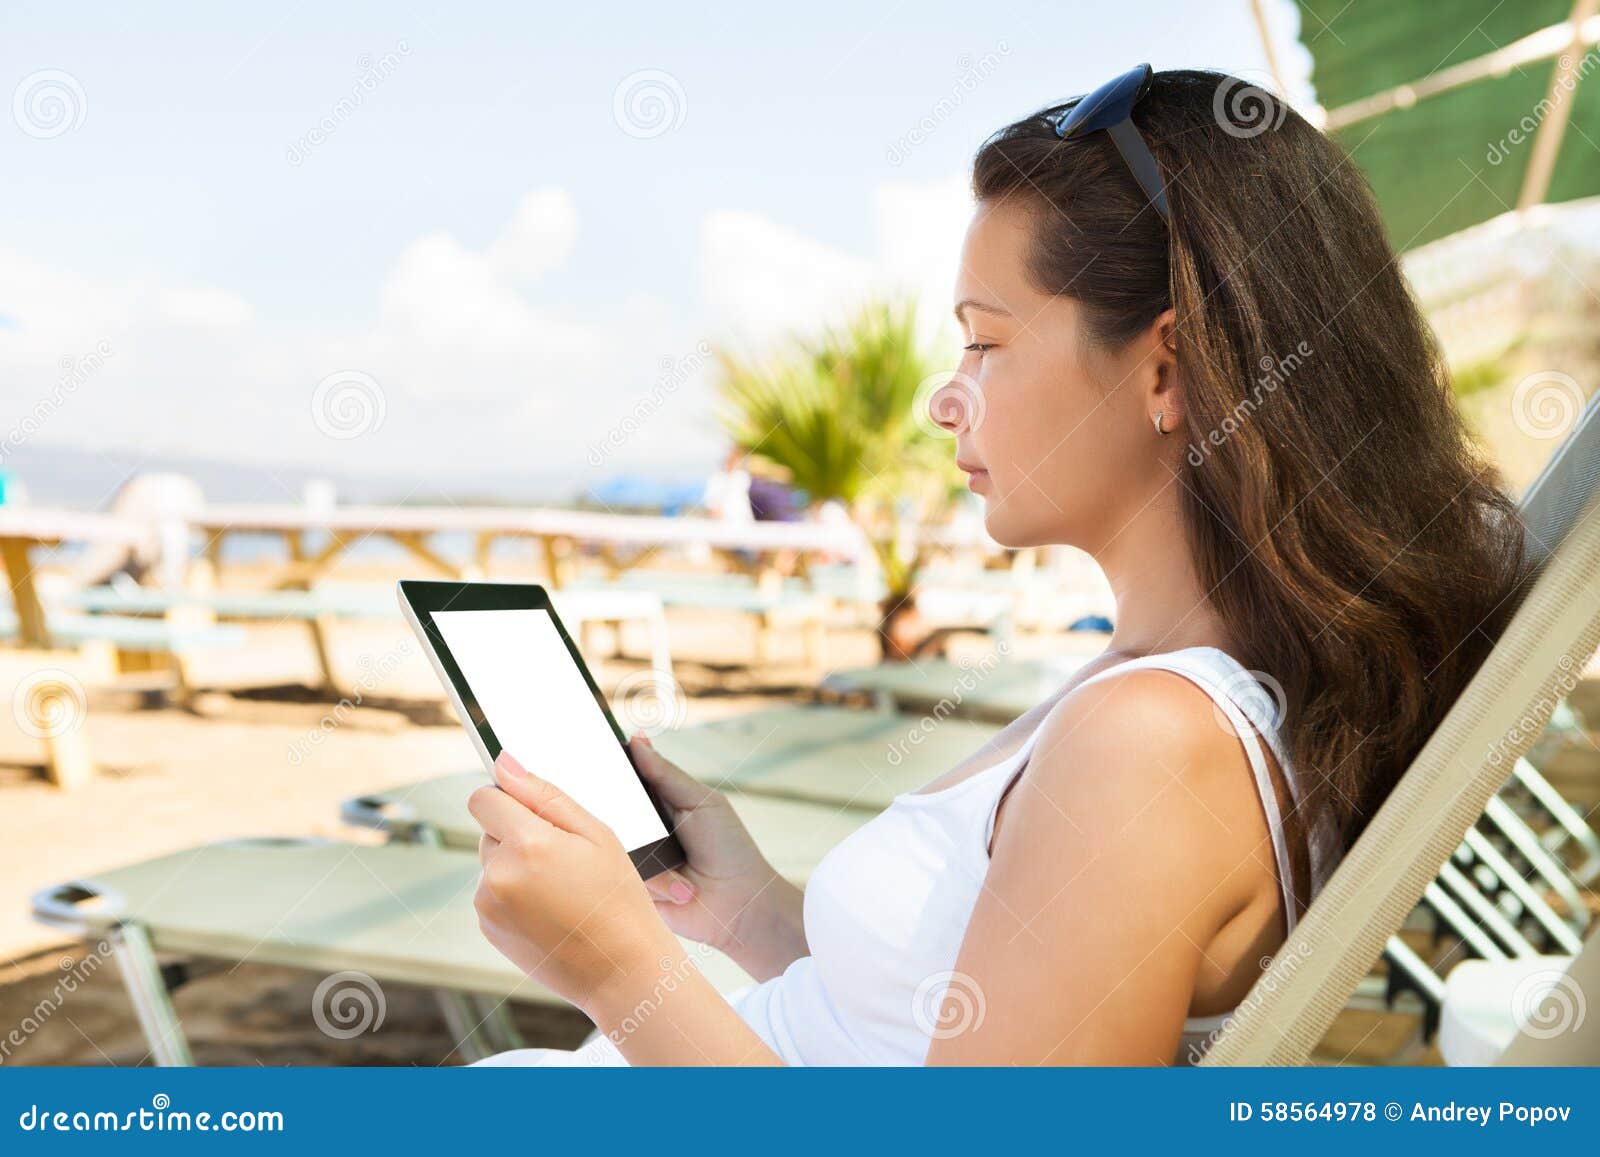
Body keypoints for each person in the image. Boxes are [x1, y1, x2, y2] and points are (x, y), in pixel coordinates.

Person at [465, 67, 1528, 1066]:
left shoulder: (1151, 744)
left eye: (984, 343)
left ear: (1167, 369)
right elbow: (934, 1027)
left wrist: (621, 972)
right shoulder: (1157, 683)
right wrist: (747, 913)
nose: (943, 398)